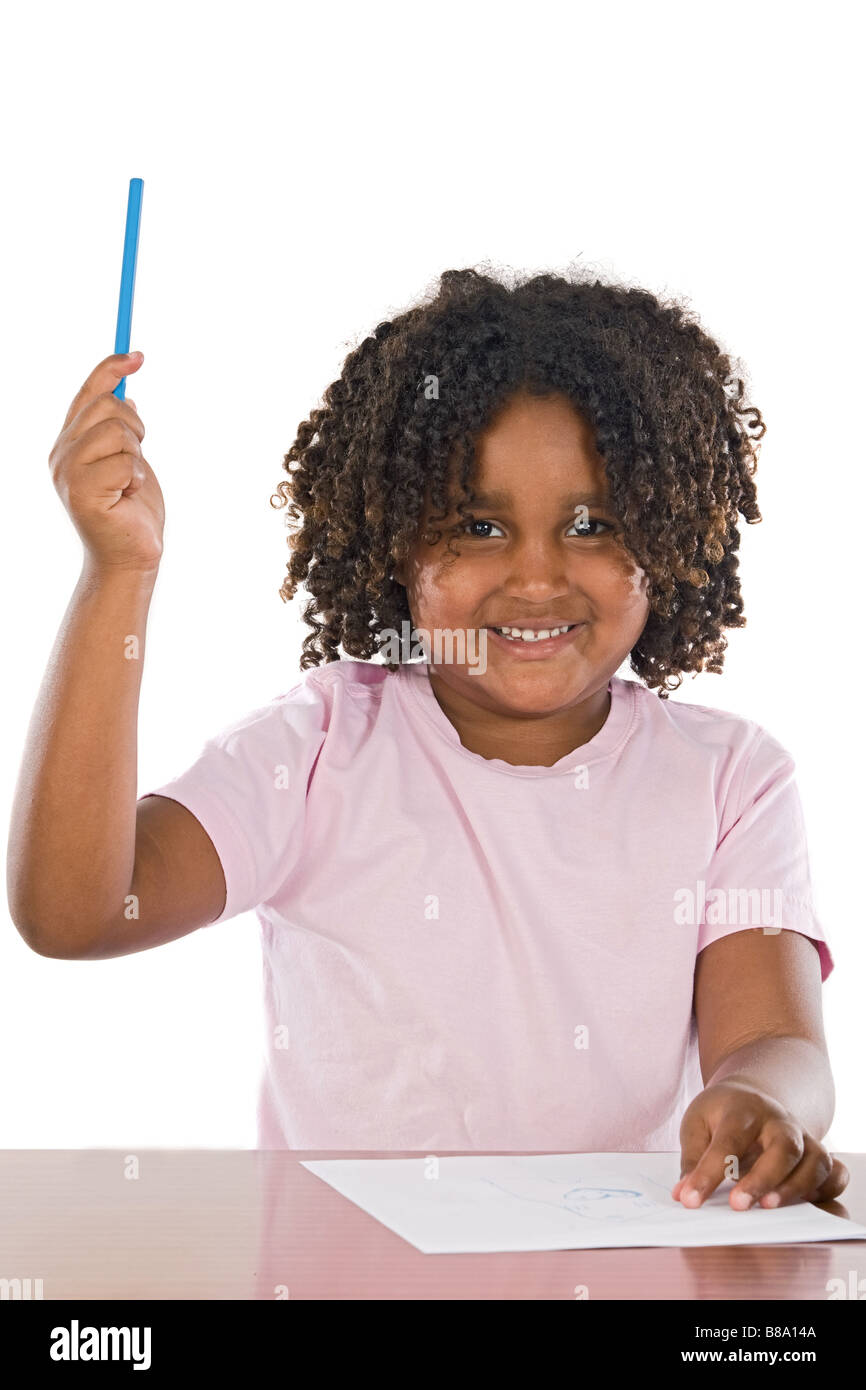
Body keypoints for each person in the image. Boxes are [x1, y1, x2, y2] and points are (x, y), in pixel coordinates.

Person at [8, 265, 848, 1212]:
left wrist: (761, 1099)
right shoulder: (320, 748)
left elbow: (777, 1042)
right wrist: (118, 572)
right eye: (478, 526)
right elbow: (78, 912)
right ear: (392, 543)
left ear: (669, 535)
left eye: (592, 525)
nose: (536, 579)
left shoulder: (732, 778)